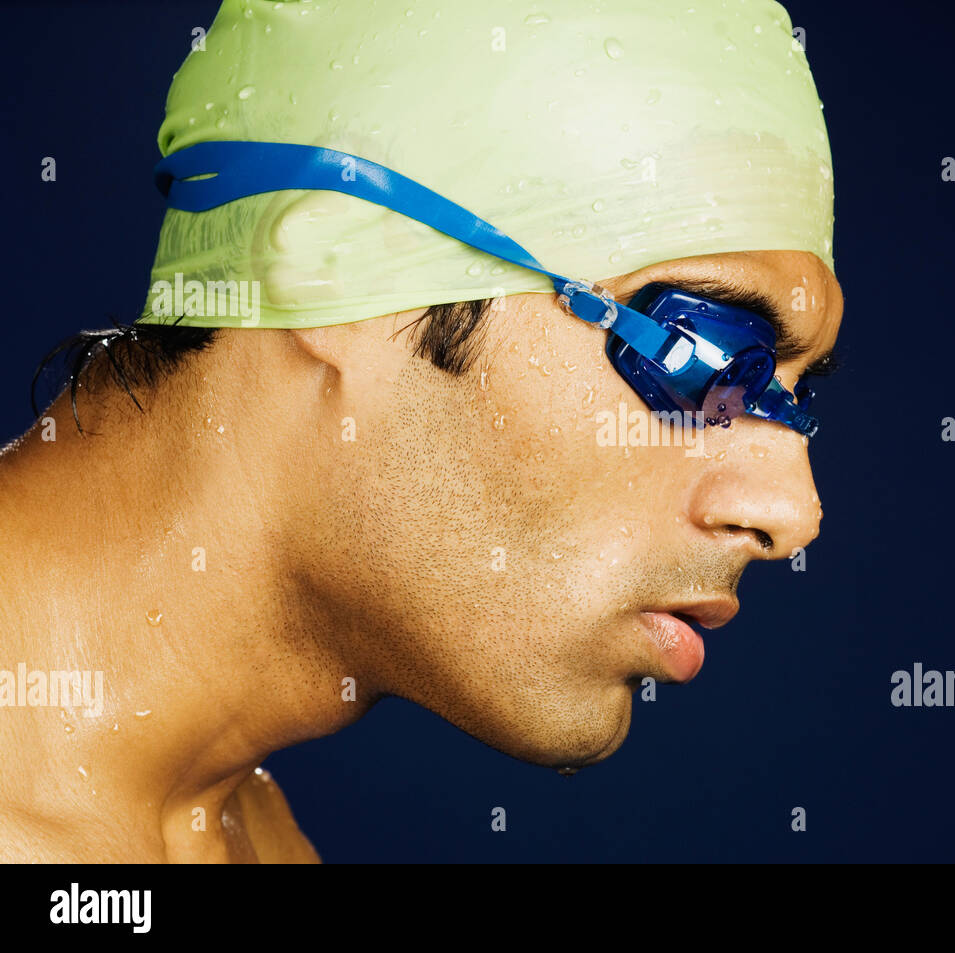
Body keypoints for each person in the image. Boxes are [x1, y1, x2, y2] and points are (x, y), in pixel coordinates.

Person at [0, 0, 842, 862]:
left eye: (793, 392)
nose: (794, 510)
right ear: (337, 278)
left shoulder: (227, 832)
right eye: (701, 356)